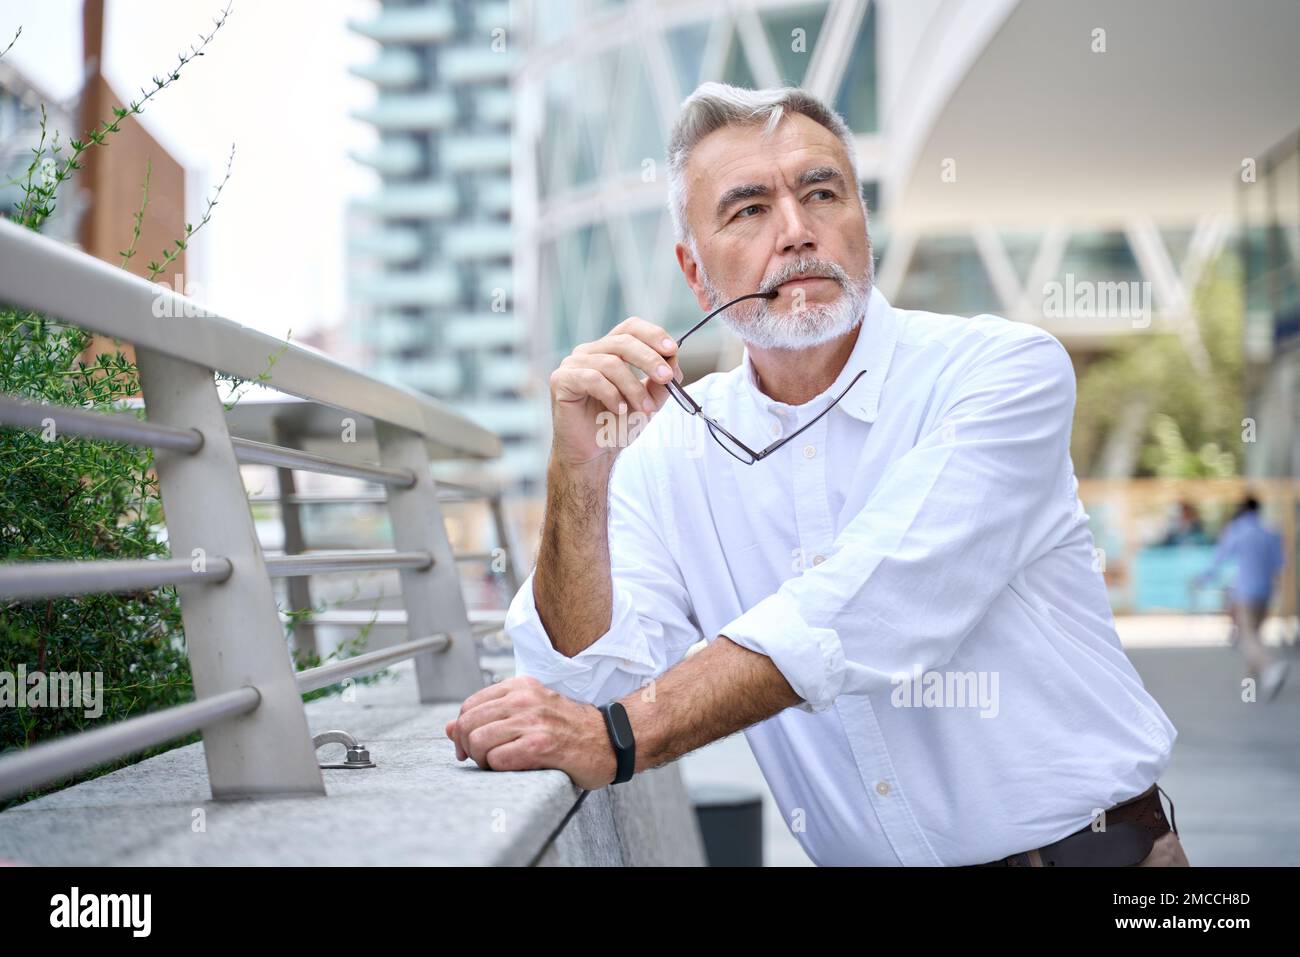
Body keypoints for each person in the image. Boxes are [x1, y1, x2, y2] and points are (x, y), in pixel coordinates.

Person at [444, 83, 1188, 867]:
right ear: (695, 275)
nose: (797, 232)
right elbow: (587, 679)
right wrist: (580, 474)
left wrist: (624, 737)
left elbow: (874, 603)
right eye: (749, 209)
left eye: (821, 192)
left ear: (863, 222)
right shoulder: (670, 451)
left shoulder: (1002, 371)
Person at [1193, 496, 1289, 701]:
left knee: (1247, 638)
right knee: (1255, 636)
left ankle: (1270, 668)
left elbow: (1220, 558)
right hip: (1266, 592)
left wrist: (1203, 578)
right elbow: (1280, 564)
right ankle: (1251, 689)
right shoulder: (1270, 532)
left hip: (1246, 592)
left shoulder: (1237, 529)